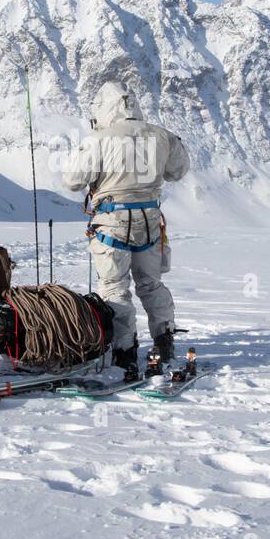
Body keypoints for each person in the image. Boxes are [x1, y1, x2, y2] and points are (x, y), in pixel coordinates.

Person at [62, 81, 190, 375]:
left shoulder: (100, 139)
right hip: (149, 222)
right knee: (151, 284)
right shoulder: (162, 135)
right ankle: (164, 340)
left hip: (113, 222)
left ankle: (125, 351)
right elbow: (179, 171)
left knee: (115, 288)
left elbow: (73, 179)